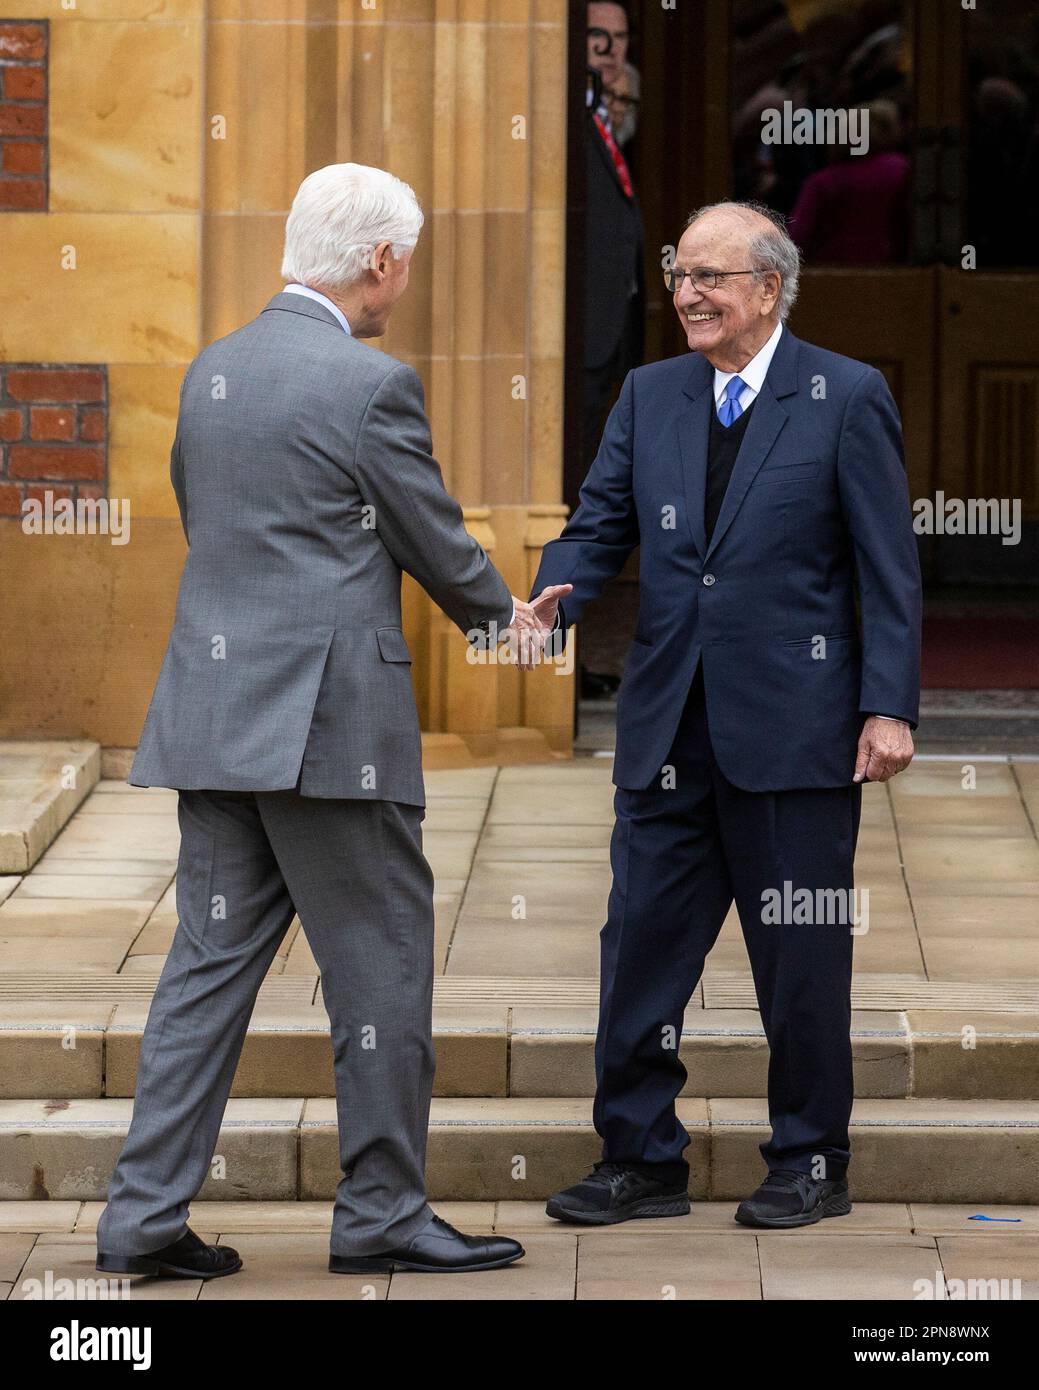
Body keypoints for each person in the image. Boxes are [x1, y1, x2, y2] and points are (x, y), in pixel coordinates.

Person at [95, 162, 567, 1279]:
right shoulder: (368, 385)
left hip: (212, 722)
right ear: (379, 260)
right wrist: (511, 625)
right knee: (383, 970)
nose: (403, 285)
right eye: (405, 264)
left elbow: (228, 531)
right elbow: (431, 536)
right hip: (329, 738)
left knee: (203, 975)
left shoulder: (212, 370)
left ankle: (141, 1220)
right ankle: (383, 1214)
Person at [531, 200, 921, 1229]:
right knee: (640, 953)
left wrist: (886, 705)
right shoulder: (650, 393)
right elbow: (597, 523)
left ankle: (809, 1158)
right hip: (666, 732)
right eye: (679, 276)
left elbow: (888, 569)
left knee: (798, 960)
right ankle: (641, 1156)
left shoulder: (845, 395)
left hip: (796, 734)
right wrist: (554, 591)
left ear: (769, 288)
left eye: (710, 277)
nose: (689, 295)